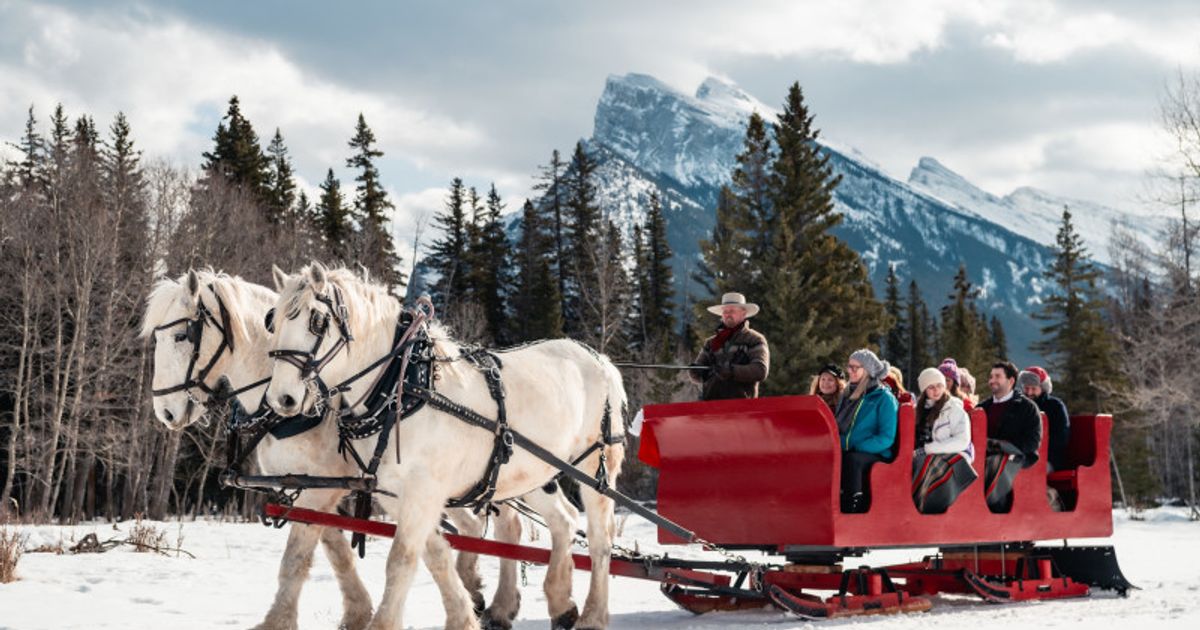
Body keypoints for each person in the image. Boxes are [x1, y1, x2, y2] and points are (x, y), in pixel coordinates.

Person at [835, 349, 899, 513]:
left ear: (868, 371)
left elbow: (886, 437)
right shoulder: (847, 394)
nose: (851, 371)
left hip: (876, 452)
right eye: (850, 367)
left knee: (852, 460)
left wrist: (857, 446)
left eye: (857, 367)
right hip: (848, 448)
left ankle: (853, 506)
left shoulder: (883, 398)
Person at [978, 361, 1043, 513]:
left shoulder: (1028, 408)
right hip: (985, 455)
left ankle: (996, 514)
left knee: (996, 464)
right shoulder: (982, 408)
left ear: (1011, 381)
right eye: (991, 376)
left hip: (1018, 456)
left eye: (997, 376)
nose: (992, 380)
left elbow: (1032, 441)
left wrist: (1002, 445)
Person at [911, 368, 977, 513]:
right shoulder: (917, 410)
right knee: (911, 463)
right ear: (924, 390)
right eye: (931, 387)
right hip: (922, 453)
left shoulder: (955, 409)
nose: (937, 390)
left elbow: (962, 441)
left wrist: (928, 450)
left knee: (926, 463)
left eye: (940, 385)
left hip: (953, 453)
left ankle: (922, 506)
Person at [690, 292, 770, 401]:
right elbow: (698, 375)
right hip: (711, 408)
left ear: (743, 313)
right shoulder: (710, 342)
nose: (728, 314)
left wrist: (731, 371)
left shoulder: (755, 339)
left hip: (743, 409)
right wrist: (695, 372)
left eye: (732, 311)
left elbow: (760, 371)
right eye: (725, 311)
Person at [1018, 366, 1070, 472]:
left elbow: (1061, 438)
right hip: (1021, 456)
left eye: (1033, 389)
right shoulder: (1019, 405)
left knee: (1022, 471)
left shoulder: (1055, 406)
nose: (1029, 393)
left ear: (1042, 388)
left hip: (1049, 458)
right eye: (1026, 388)